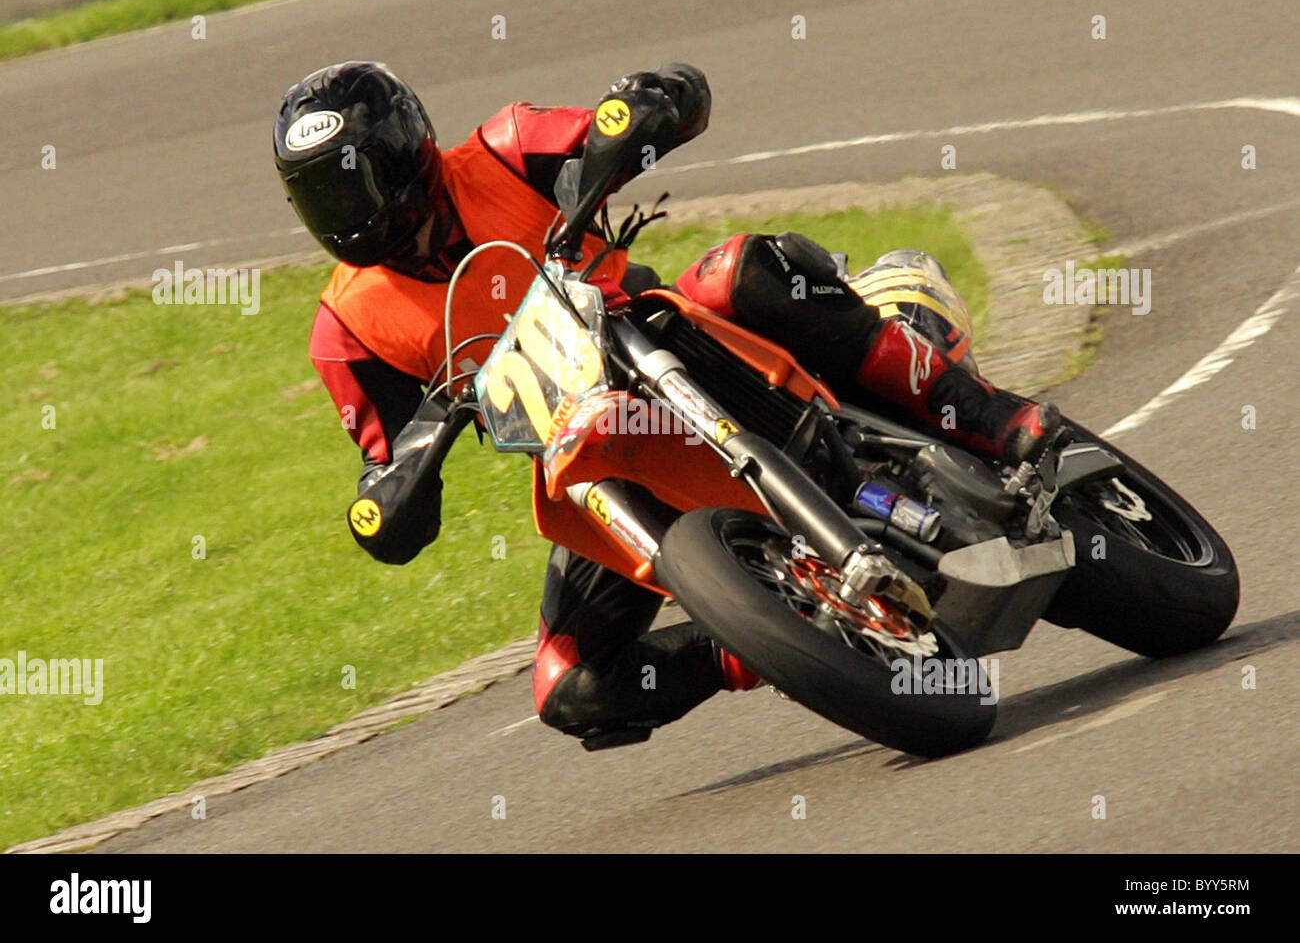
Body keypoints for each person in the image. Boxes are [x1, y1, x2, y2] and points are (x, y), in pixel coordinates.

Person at [274, 61, 1059, 749]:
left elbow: (662, 104)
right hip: (589, 451)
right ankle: (783, 631)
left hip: (666, 339)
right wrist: (387, 497)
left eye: (360, 175)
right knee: (570, 686)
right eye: (324, 193)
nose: (354, 205)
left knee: (742, 269)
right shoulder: (347, 328)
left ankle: (985, 413)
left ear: (407, 148)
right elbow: (389, 465)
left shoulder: (505, 150)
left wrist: (642, 108)